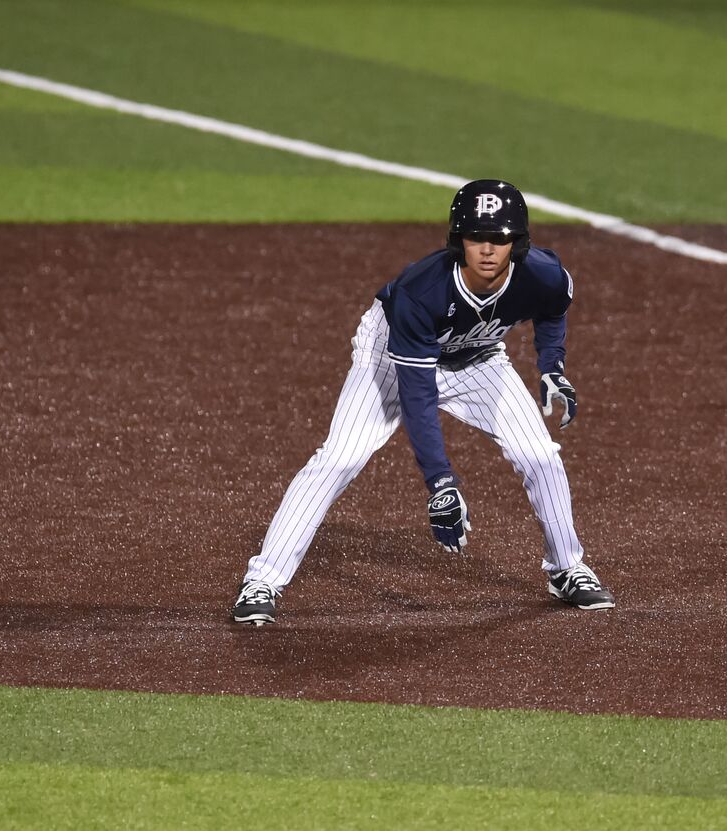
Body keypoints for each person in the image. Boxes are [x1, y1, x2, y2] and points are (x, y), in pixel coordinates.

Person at [230, 179, 615, 625]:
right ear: (459, 240)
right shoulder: (422, 292)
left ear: (518, 243)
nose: (488, 250)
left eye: (499, 239)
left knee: (540, 455)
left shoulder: (541, 274)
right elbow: (418, 397)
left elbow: (553, 309)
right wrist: (440, 483)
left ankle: (567, 568)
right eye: (477, 238)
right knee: (339, 458)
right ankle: (263, 580)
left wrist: (552, 366)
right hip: (394, 356)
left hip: (478, 357)